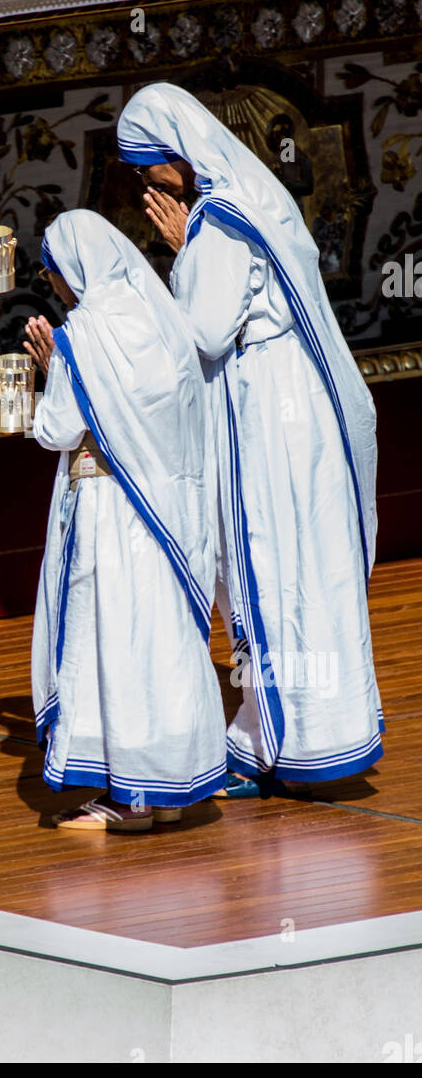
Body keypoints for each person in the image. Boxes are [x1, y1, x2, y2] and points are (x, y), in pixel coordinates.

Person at [117, 82, 382, 796]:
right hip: (293, 404)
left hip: (266, 414)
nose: (147, 186)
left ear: (179, 152)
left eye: (149, 169)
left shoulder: (221, 222)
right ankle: (300, 730)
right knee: (303, 565)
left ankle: (283, 739)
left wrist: (181, 253)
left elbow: (204, 332)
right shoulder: (255, 196)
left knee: (267, 559)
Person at [22, 209, 227, 832]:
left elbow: (58, 430)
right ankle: (170, 791)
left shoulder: (84, 334)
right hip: (169, 516)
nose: (52, 283)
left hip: (109, 514)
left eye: (52, 271)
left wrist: (51, 370)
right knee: (162, 644)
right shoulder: (162, 318)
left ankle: (128, 798)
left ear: (73, 268)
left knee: (113, 642)